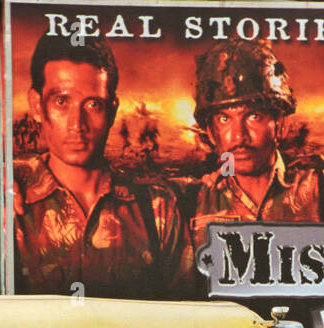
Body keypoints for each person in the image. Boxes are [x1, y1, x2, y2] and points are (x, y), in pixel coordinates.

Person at [12, 32, 193, 299]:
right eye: (61, 102)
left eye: (93, 104)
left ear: (112, 109)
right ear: (37, 106)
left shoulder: (155, 209)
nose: (77, 124)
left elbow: (185, 322)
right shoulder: (8, 201)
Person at [186, 38, 324, 249]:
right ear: (211, 133)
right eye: (224, 119)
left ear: (280, 125)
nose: (239, 136)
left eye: (253, 116)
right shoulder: (189, 201)